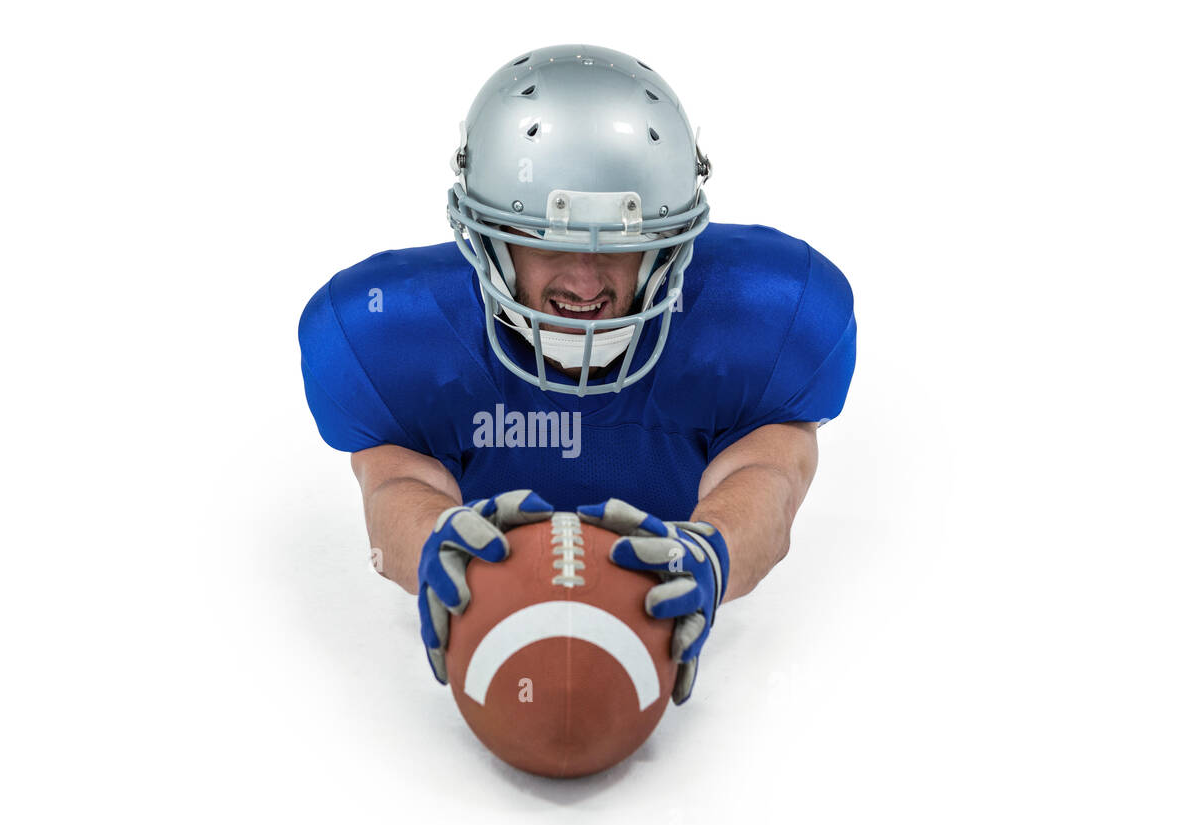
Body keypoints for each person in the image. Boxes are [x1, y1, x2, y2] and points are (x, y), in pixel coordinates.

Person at [298, 44, 856, 704]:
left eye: (624, 244)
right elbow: (393, 478)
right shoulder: (392, 332)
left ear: (674, 242)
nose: (585, 282)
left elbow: (773, 468)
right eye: (546, 239)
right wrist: (430, 546)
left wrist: (714, 550)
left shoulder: (762, 310)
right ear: (487, 236)